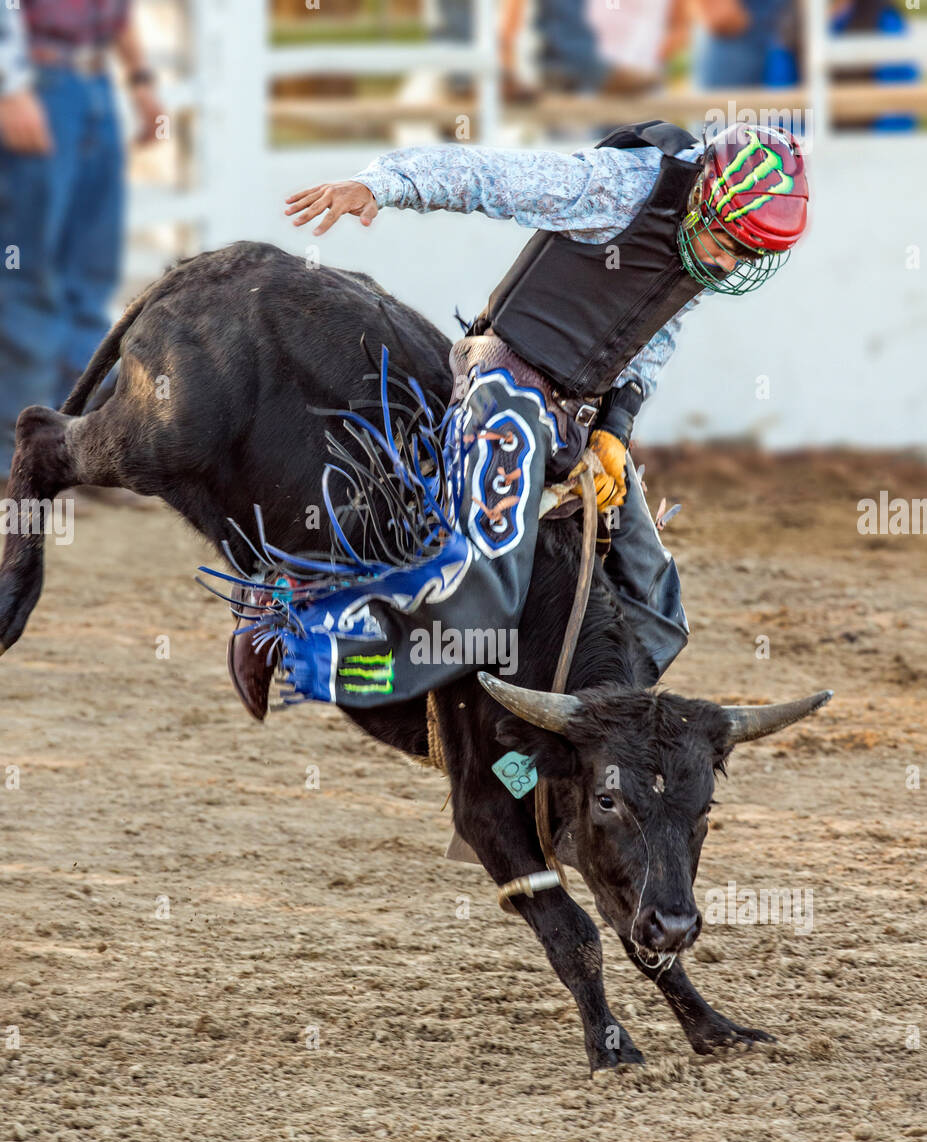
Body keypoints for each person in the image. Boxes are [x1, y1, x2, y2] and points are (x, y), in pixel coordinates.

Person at [277, 121, 809, 710]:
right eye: (730, 245)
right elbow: (488, 176)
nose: (731, 265)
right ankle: (328, 658)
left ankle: (584, 730)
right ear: (704, 197)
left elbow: (658, 330)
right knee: (487, 596)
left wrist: (615, 429)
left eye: (748, 255)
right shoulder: (619, 187)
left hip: (580, 418)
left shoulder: (707, 246)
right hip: (508, 382)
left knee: (660, 616)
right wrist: (381, 184)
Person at [0, 1, 161, 485]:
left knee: (90, 275)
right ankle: (18, 465)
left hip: (94, 82)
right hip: (38, 82)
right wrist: (9, 87)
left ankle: (78, 457)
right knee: (29, 278)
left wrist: (140, 79)